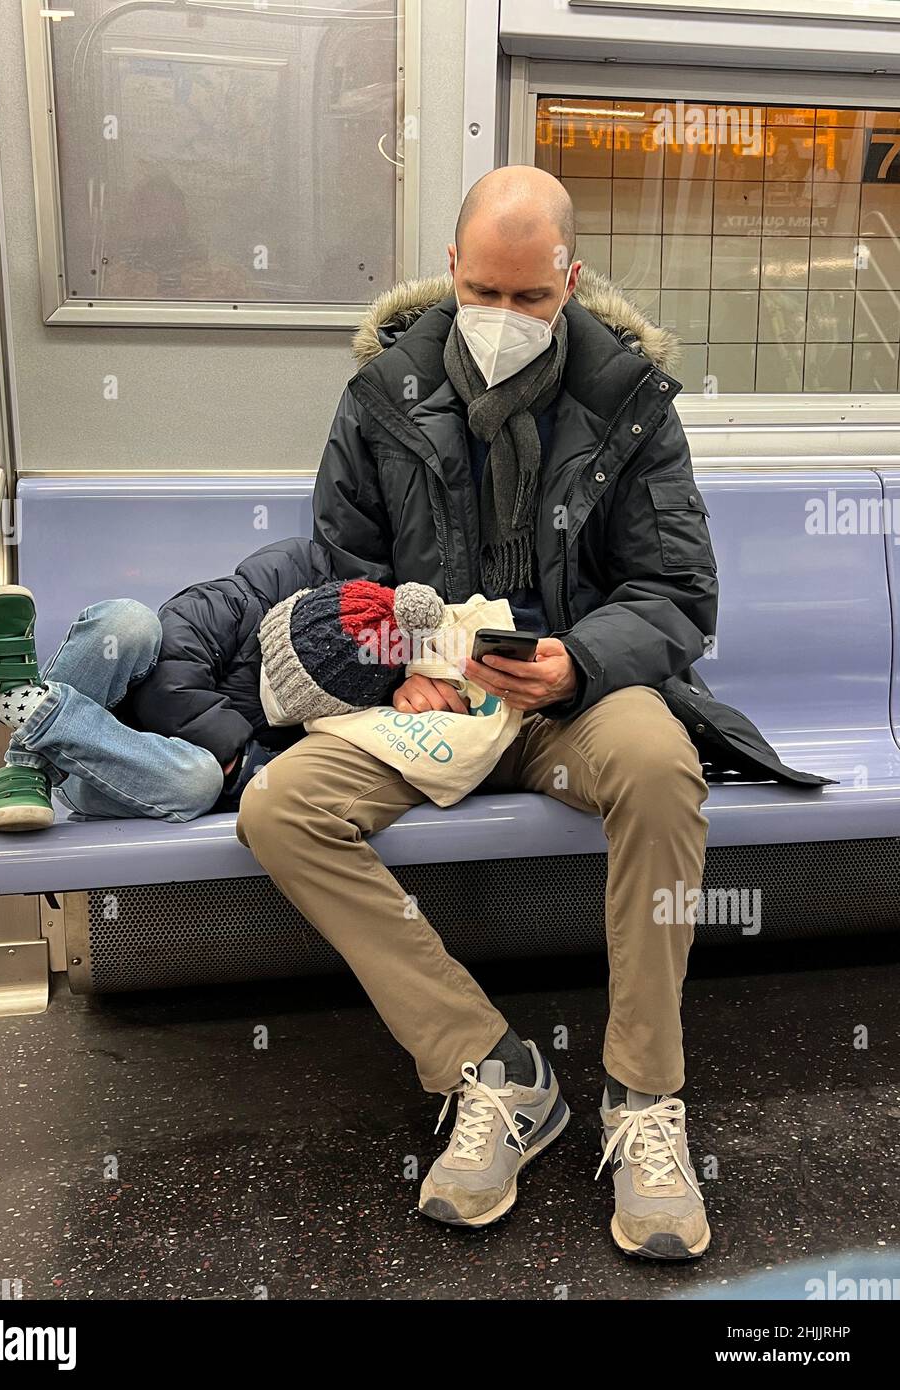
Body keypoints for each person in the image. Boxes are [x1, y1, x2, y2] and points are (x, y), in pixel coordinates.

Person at [236, 165, 830, 1254]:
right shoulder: (382, 396)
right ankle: (493, 1070)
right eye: (484, 292)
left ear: (573, 280)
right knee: (281, 807)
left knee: (660, 768)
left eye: (532, 298)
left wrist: (577, 664)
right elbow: (344, 571)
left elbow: (678, 596)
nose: (504, 319)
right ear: (451, 272)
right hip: (438, 702)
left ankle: (644, 1096)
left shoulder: (632, 402)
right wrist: (394, 662)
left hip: (575, 705)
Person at [0, 543, 440, 830]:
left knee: (200, 782)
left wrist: (241, 766)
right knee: (128, 623)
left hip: (122, 774)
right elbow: (173, 661)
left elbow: (291, 780)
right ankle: (29, 756)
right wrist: (232, 746)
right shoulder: (244, 600)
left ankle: (25, 719)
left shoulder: (367, 697)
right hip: (113, 700)